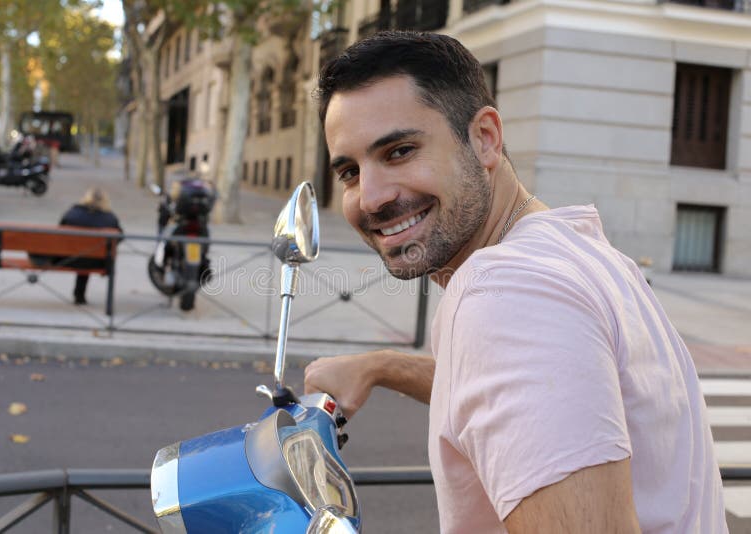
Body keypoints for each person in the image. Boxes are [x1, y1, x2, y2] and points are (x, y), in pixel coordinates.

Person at [304, 31, 726, 533]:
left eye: (399, 151)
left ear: (484, 138)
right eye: (350, 171)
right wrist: (382, 366)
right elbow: (518, 392)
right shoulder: (577, 251)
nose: (370, 197)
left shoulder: (503, 293)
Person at [59, 187, 122, 305]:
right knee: (88, 255)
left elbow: (60, 231)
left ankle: (79, 294)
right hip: (99, 261)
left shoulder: (72, 213)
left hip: (68, 259)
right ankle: (80, 295)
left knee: (82, 253)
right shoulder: (110, 218)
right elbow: (120, 237)